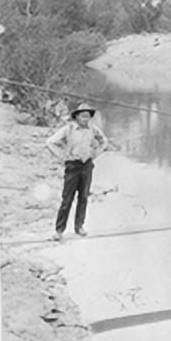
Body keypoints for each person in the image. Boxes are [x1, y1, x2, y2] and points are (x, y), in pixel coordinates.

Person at [45, 102, 108, 240]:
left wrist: (95, 153)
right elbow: (50, 142)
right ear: (77, 117)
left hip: (87, 166)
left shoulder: (93, 129)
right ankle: (59, 230)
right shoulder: (68, 129)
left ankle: (79, 226)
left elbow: (104, 141)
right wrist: (63, 157)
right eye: (83, 115)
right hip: (73, 166)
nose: (85, 118)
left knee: (83, 197)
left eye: (88, 116)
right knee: (67, 199)